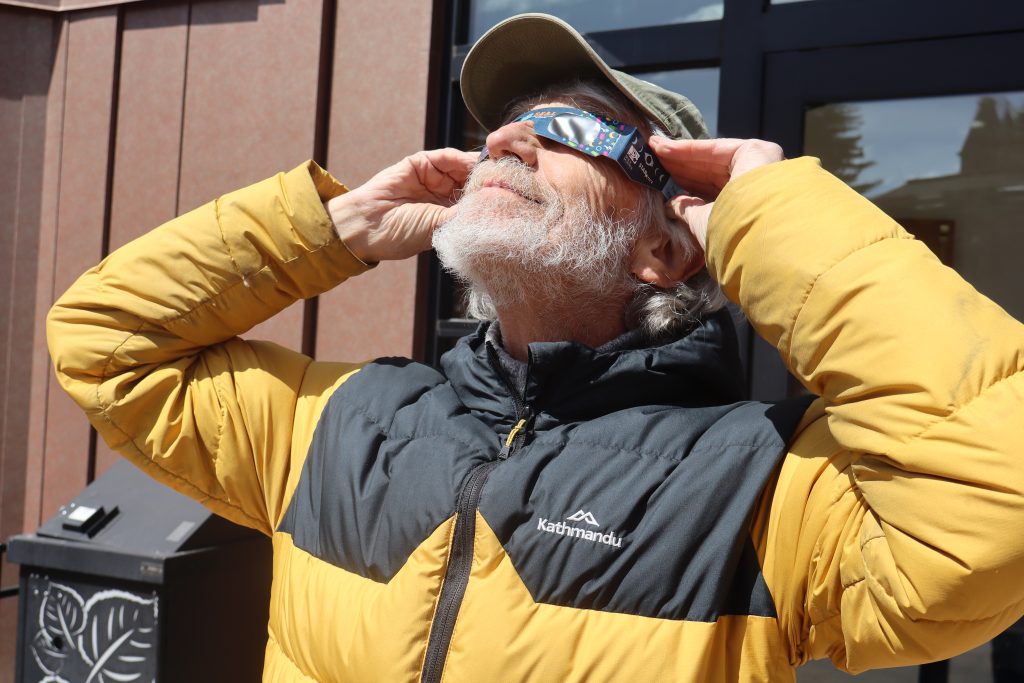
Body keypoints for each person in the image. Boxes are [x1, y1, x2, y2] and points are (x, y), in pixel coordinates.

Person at [46, 12, 1024, 683]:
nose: (509, 142)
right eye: (500, 132)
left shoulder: (766, 487)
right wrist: (334, 225)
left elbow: (989, 513)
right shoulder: (333, 421)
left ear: (664, 246)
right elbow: (103, 341)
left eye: (565, 129)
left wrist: (770, 215)